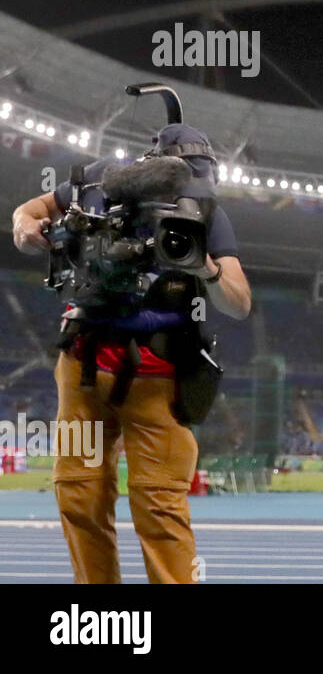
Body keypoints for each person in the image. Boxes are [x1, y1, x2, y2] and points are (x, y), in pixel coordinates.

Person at [10, 123, 252, 583]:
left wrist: (206, 266)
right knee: (78, 497)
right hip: (83, 362)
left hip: (159, 373)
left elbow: (240, 302)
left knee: (160, 505)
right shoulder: (99, 185)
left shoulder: (203, 215)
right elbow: (31, 210)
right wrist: (26, 227)